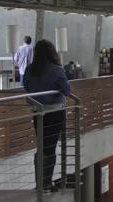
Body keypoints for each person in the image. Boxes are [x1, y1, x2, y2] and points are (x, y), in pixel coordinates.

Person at [23, 39, 80, 190]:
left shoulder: (30, 69)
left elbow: (27, 87)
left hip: (38, 111)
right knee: (51, 147)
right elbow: (67, 90)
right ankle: (47, 181)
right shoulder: (56, 70)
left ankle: (39, 181)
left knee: (41, 146)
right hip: (55, 111)